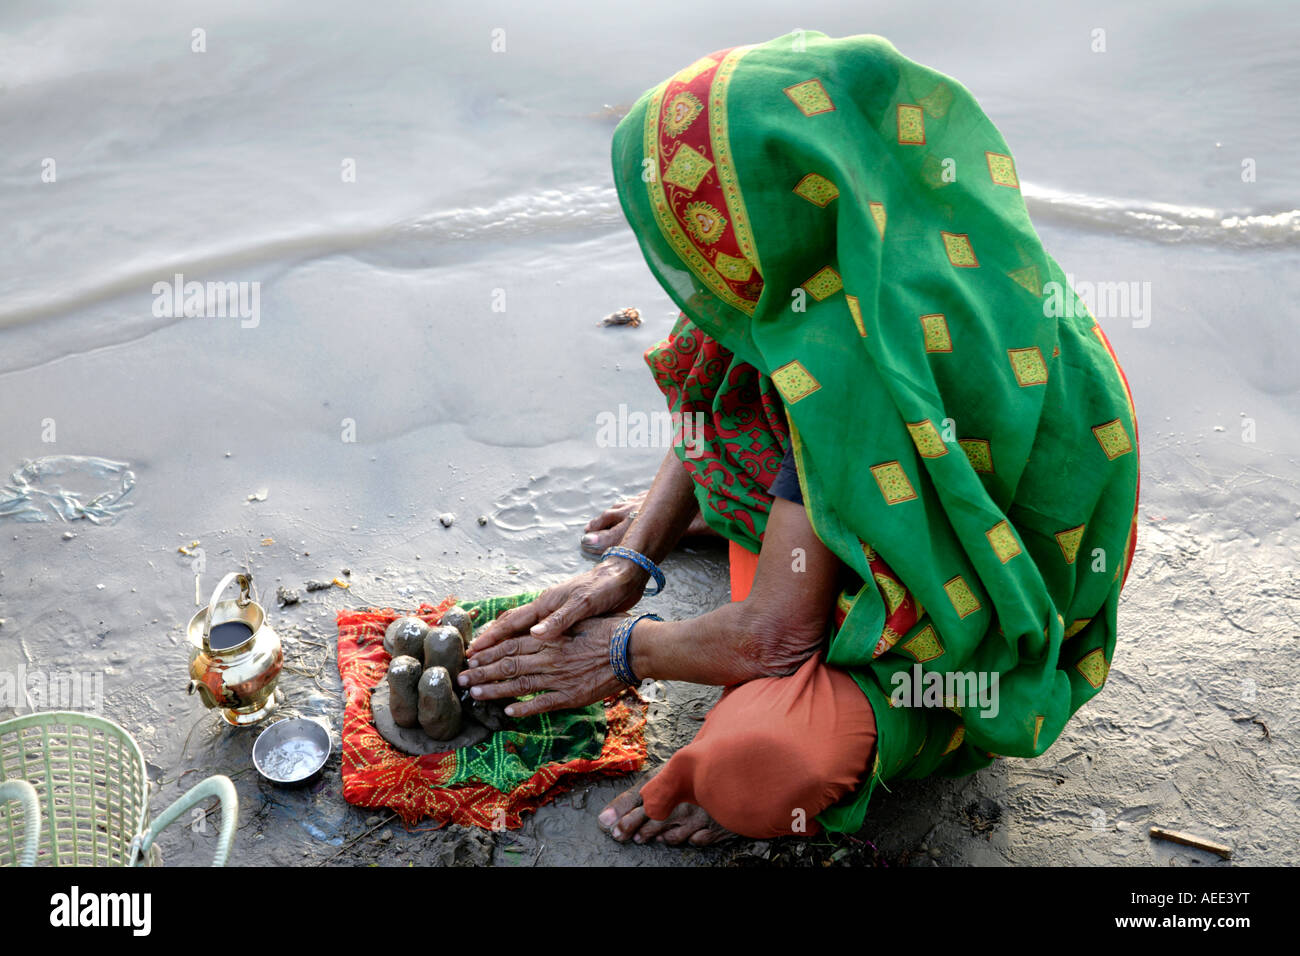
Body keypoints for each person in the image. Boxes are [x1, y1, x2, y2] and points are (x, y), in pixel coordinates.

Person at [459, 30, 1140, 846]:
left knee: (754, 766)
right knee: (752, 362)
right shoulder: (843, 246)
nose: (682, 253)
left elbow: (775, 640)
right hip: (865, 507)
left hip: (961, 625)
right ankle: (800, 520)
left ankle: (857, 624)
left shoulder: (852, 361)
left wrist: (618, 653)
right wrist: (633, 559)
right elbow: (733, 366)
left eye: (697, 219)